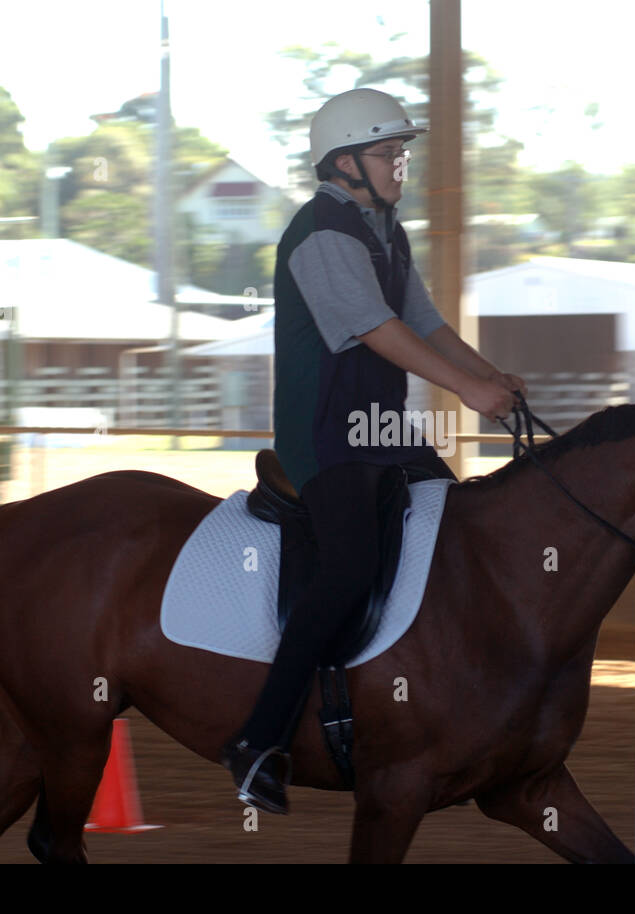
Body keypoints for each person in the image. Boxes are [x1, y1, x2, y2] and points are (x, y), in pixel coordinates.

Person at [220, 87, 525, 814]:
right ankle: (258, 740)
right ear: (345, 161)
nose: (400, 166)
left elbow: (423, 322)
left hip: (380, 433)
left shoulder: (386, 230)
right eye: (390, 153)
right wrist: (469, 393)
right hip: (325, 437)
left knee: (458, 524)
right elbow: (378, 332)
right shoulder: (323, 233)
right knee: (351, 565)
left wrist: (488, 375)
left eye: (401, 153)